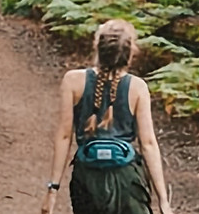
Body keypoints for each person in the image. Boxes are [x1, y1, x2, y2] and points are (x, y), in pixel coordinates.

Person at [41, 19, 174, 214]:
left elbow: (64, 136)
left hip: (87, 177)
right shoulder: (137, 88)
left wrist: (53, 190)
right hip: (127, 178)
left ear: (97, 48)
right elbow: (148, 144)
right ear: (129, 54)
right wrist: (163, 200)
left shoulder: (73, 81)